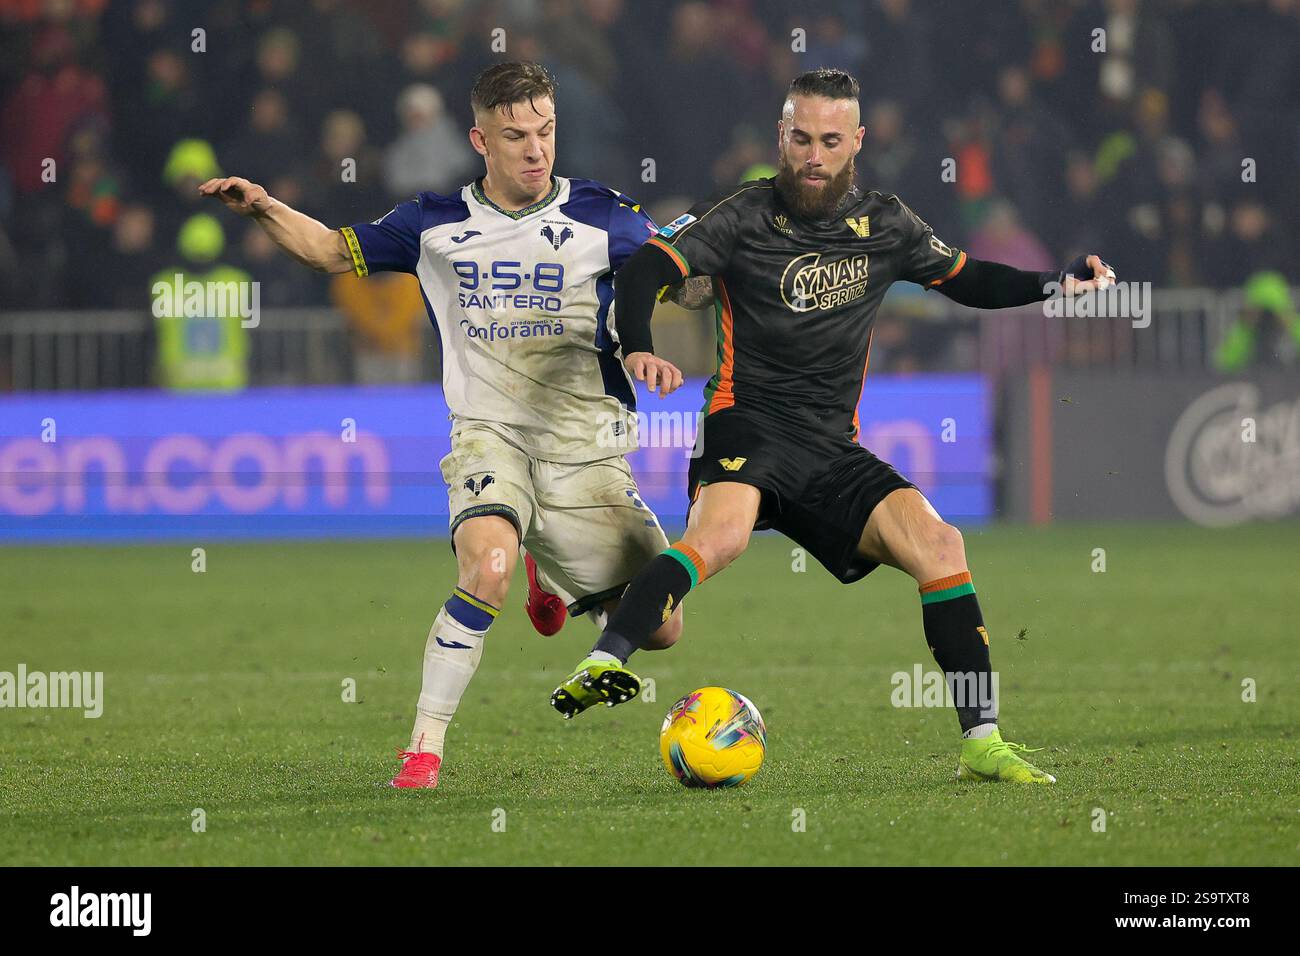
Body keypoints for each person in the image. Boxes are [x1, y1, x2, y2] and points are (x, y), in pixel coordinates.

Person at [552, 68, 1117, 785]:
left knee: (940, 544)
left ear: (856, 141)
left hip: (828, 447)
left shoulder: (887, 224)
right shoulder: (740, 212)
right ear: (780, 138)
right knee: (718, 539)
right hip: (745, 422)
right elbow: (646, 273)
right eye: (798, 139)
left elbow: (966, 278)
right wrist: (638, 341)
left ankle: (983, 742)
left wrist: (1052, 284)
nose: (811, 155)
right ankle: (605, 662)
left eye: (827, 140)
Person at [200, 62, 690, 789]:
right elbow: (331, 250)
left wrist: (677, 303)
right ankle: (423, 750)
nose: (536, 150)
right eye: (516, 136)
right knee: (484, 568)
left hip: (586, 451)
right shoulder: (432, 224)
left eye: (546, 132)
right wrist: (265, 205)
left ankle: (543, 563)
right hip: (489, 437)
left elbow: (678, 265)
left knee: (663, 629)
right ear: (480, 141)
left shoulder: (605, 215)